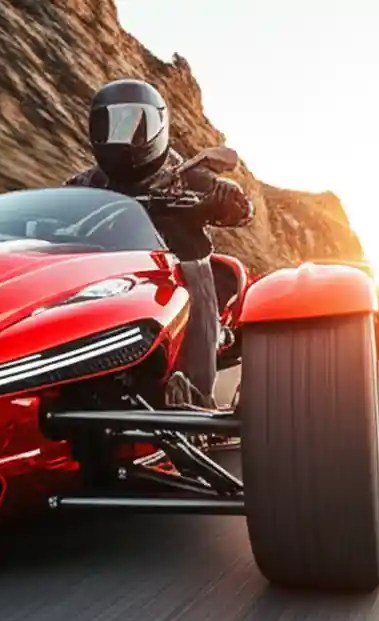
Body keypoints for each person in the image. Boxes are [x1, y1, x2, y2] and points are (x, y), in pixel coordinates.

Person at [66, 78, 254, 409]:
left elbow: (242, 211)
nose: (124, 135)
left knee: (192, 270)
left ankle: (198, 395)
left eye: (136, 123)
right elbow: (57, 214)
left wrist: (227, 201)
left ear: (157, 125)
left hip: (177, 267)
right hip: (107, 269)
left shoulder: (186, 173)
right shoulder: (86, 183)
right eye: (114, 124)